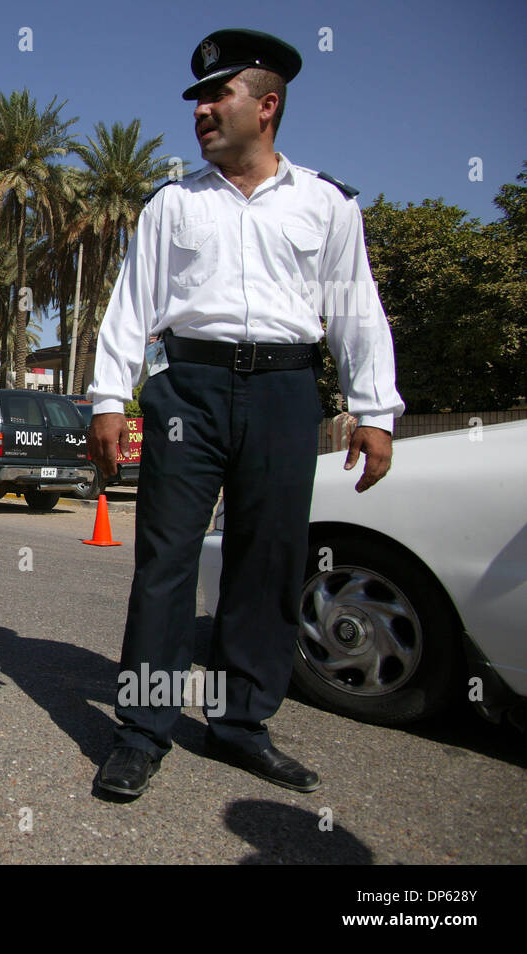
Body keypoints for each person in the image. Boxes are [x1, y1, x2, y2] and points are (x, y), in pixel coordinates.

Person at [86, 30, 403, 798]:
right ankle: (144, 729)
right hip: (186, 390)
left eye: (215, 95)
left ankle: (239, 726)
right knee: (165, 562)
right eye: (197, 97)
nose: (199, 109)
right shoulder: (172, 203)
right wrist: (108, 398)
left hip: (286, 392)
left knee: (267, 562)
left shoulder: (328, 204)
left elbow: (356, 309)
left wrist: (375, 409)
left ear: (266, 106)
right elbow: (132, 306)